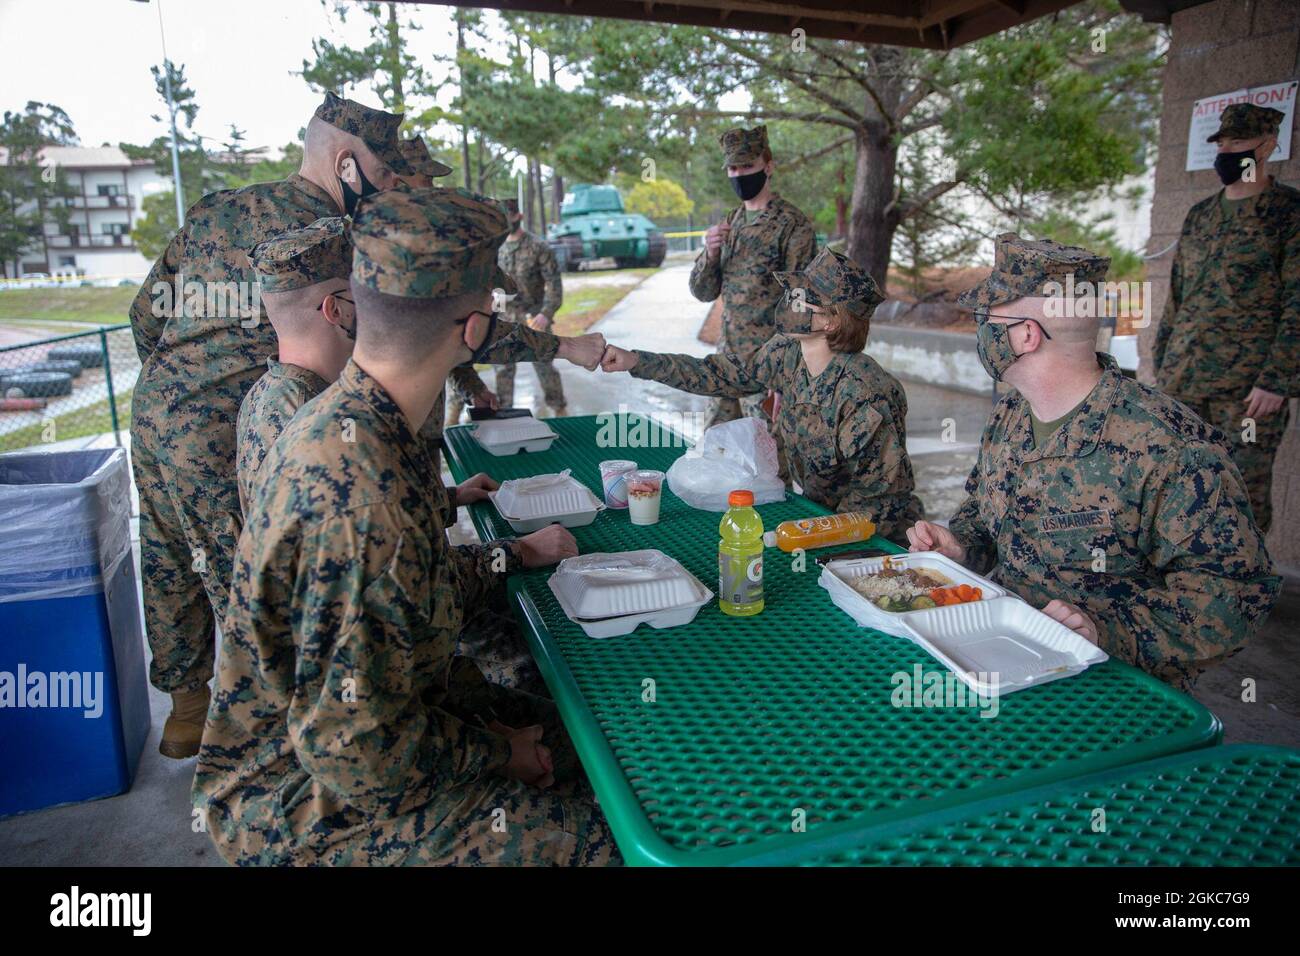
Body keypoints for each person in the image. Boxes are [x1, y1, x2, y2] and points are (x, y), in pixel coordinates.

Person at [195, 186, 619, 866]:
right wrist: (499, 751)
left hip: (386, 720)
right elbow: (356, 753)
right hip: (301, 803)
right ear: (474, 329)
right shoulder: (360, 490)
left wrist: (510, 560)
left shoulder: (364, 424)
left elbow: (412, 588)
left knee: (598, 739)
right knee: (602, 844)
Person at [128, 91, 411, 758]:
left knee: (170, 556)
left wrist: (179, 378)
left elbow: (147, 314)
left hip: (154, 408)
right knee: (248, 577)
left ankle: (185, 709)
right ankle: (264, 741)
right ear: (346, 164)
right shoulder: (333, 238)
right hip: (221, 428)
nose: (391, 186)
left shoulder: (217, 208)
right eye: (386, 171)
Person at [238, 207, 606, 692]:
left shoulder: (321, 409)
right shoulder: (345, 455)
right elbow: (351, 740)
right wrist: (516, 553)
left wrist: (446, 500)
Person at [907, 233, 1280, 691]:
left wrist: (1106, 632)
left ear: (1026, 335)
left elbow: (1237, 599)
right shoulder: (1012, 412)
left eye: (988, 319)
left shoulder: (1170, 447)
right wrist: (960, 546)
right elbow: (985, 516)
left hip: (1112, 691)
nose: (981, 330)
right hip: (1005, 662)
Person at [601, 248, 924, 542]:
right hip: (817, 516)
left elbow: (878, 498)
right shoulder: (788, 352)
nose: (789, 303)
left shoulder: (865, 393)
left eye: (801, 299)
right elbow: (722, 374)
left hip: (873, 540)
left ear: (831, 321)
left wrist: (816, 540)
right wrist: (636, 361)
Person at [1153, 102, 1299, 533]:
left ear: (1268, 146)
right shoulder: (1201, 214)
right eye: (1224, 142)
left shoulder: (1288, 214)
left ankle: (1245, 592)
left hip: (1248, 391)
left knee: (1242, 493)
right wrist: (1162, 367)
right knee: (1180, 487)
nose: (1228, 151)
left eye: (1239, 142)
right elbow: (1177, 298)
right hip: (1185, 383)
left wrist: (1278, 378)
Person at [690, 124, 816, 434]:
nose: (740, 174)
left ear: (768, 167)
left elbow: (802, 305)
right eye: (733, 167)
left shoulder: (791, 225)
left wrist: (785, 375)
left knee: (769, 464)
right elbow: (703, 292)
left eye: (748, 165)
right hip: (727, 362)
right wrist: (711, 253)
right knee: (715, 453)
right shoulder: (730, 224)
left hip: (767, 368)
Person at [447, 197, 566, 422]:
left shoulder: (538, 247)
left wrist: (545, 314)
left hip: (533, 317)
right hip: (500, 318)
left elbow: (554, 286)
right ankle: (504, 415)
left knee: (545, 366)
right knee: (502, 369)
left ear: (518, 216)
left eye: (507, 216)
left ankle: (559, 410)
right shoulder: (492, 249)